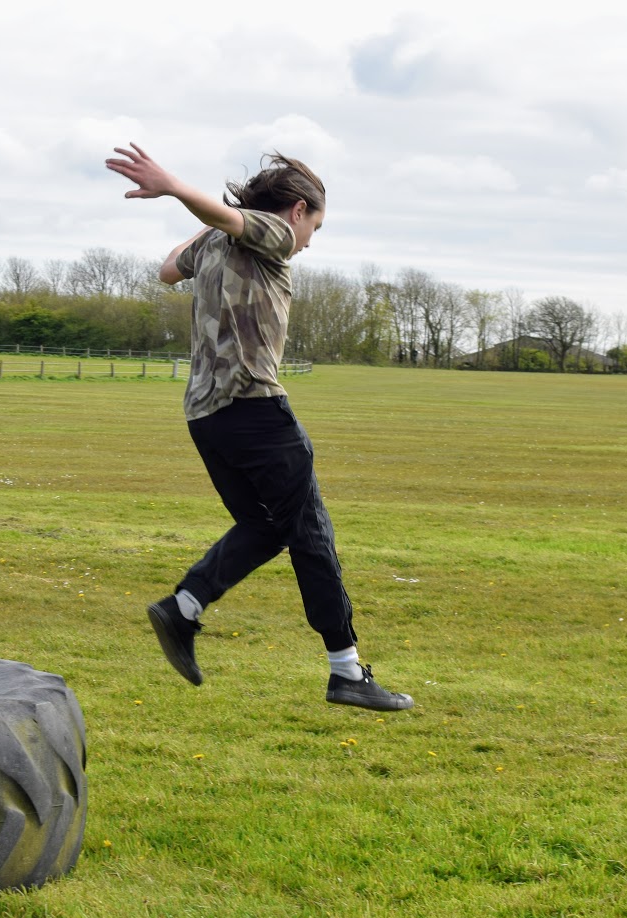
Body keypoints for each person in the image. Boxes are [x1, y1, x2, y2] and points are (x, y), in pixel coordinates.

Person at [105, 143, 412, 711]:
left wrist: (201, 220)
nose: (311, 240)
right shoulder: (273, 237)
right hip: (257, 411)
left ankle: (185, 607)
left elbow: (169, 268)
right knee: (311, 535)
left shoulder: (217, 241)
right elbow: (227, 224)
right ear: (296, 211)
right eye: (315, 225)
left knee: (266, 526)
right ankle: (346, 672)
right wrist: (176, 188)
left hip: (206, 417)